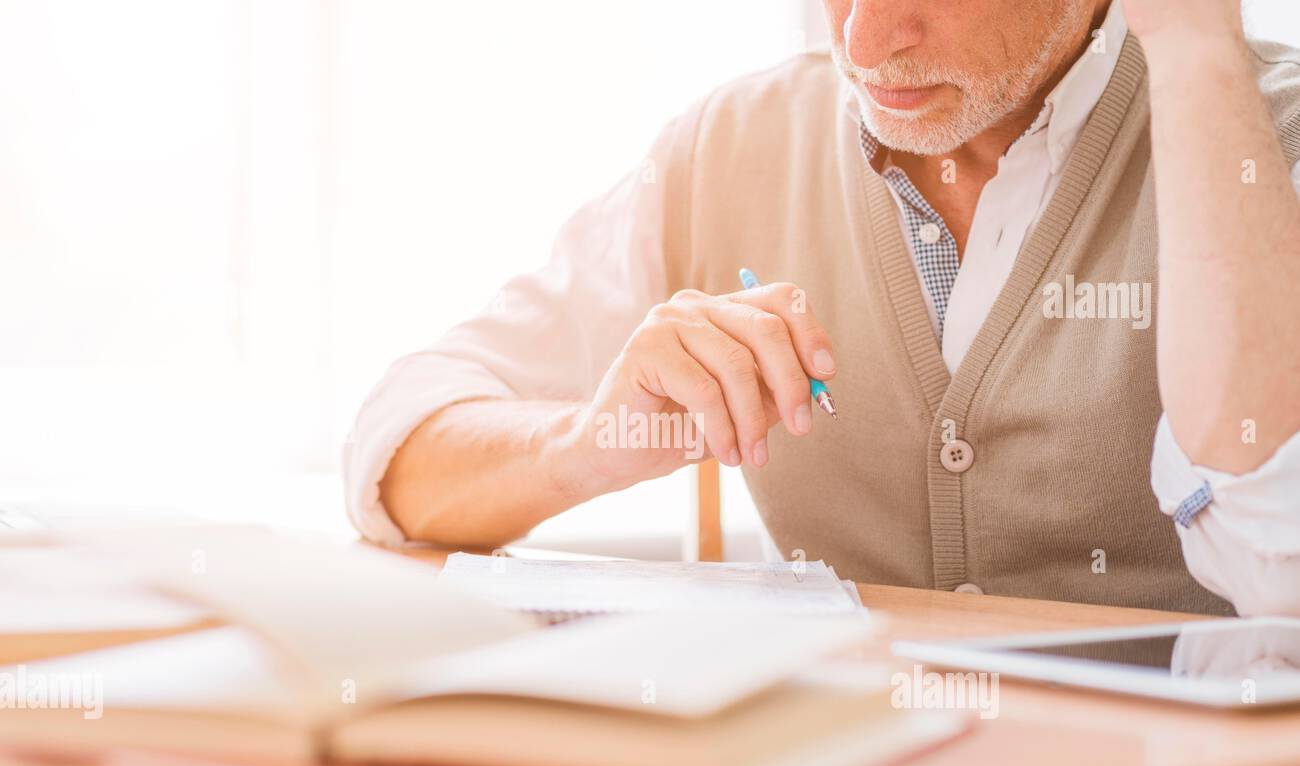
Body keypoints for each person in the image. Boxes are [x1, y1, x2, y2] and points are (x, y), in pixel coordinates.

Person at [345, 0, 1300, 615]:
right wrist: (586, 441)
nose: (862, 41)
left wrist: (1195, 49)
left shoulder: (1267, 138)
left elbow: (1279, 562)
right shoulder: (734, 144)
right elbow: (397, 456)